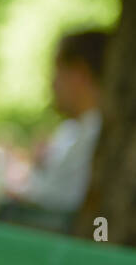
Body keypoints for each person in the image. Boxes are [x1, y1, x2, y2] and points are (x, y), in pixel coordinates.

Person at [8, 29, 108, 215]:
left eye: (57, 71)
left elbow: (52, 204)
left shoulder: (96, 135)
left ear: (79, 74)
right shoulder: (74, 131)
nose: (52, 84)